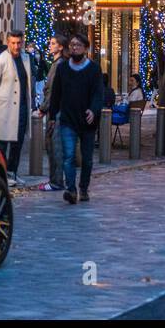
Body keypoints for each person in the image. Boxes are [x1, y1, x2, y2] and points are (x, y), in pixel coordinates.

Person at [48, 32, 105, 204]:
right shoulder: (63, 68)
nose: (74, 48)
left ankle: (83, 188)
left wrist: (93, 110)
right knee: (68, 156)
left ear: (85, 49)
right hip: (68, 119)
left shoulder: (94, 69)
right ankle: (71, 189)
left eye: (78, 45)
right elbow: (56, 93)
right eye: (72, 45)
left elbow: (98, 93)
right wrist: (52, 116)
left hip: (87, 121)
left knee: (87, 159)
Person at [0, 29, 32, 181]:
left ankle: (12, 172)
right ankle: (3, 175)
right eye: (13, 43)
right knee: (3, 143)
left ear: (22, 42)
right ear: (7, 43)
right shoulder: (0, 61)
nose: (16, 46)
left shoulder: (26, 58)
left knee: (18, 142)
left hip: (22, 107)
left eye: (19, 43)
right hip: (5, 108)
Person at [35, 33, 68, 192]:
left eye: (54, 43)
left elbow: (52, 91)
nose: (50, 45)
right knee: (52, 146)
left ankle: (56, 181)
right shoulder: (56, 64)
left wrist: (43, 108)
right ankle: (55, 180)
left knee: (54, 146)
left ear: (60, 47)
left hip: (56, 111)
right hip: (55, 109)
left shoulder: (59, 64)